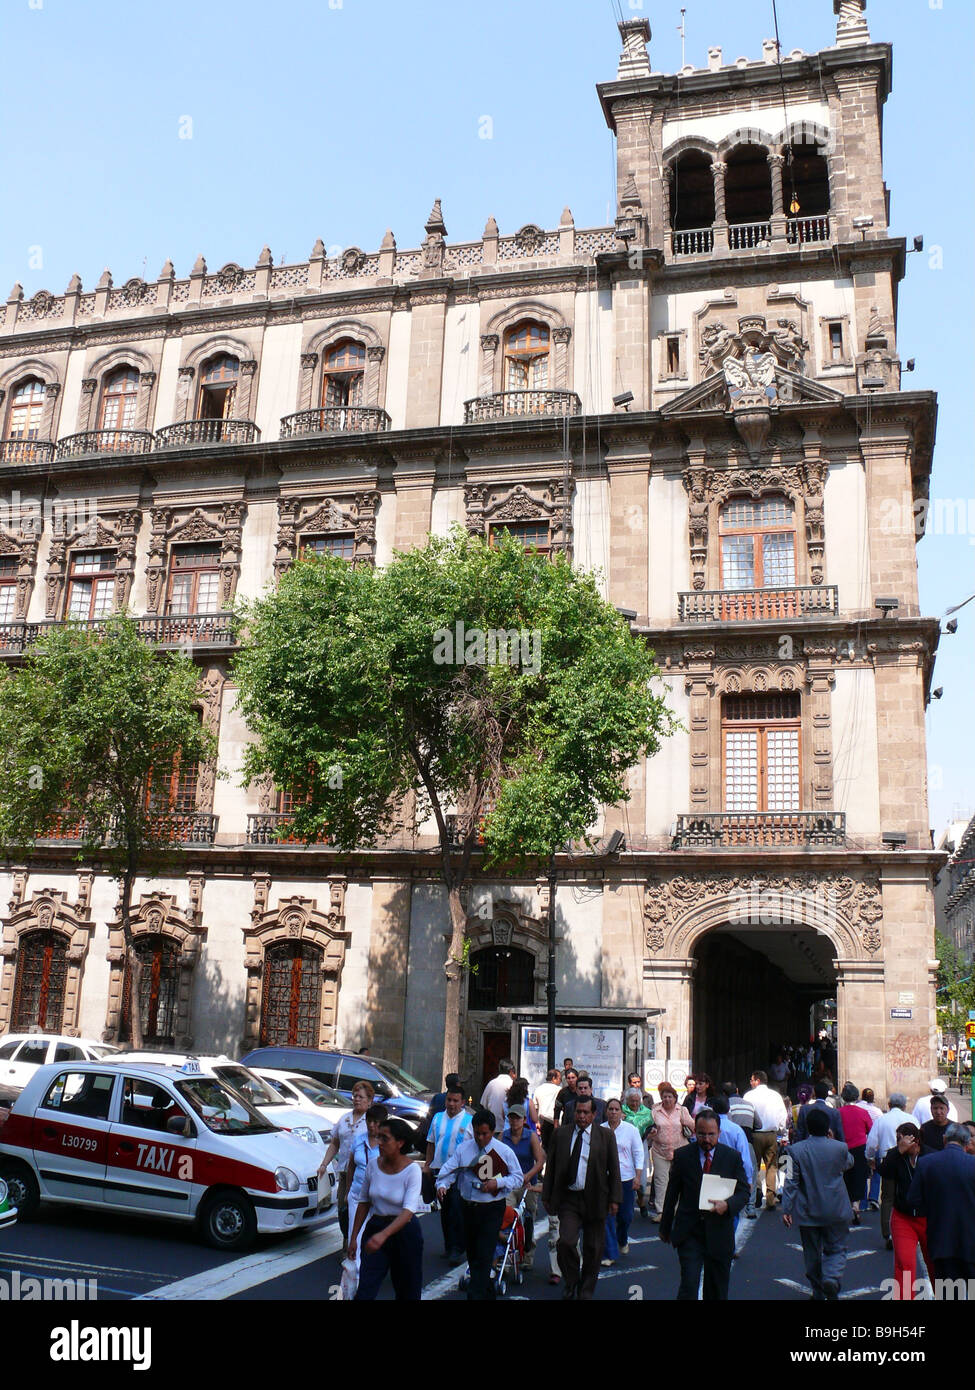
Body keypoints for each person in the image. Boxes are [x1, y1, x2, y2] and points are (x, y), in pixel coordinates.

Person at [659, 1109, 749, 1301]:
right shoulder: (683, 1156)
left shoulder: (731, 1157)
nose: (706, 1139)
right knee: (689, 1286)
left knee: (716, 1289)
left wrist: (728, 1205)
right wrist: (665, 1226)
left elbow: (743, 1192)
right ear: (694, 1132)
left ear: (719, 1133)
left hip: (719, 1232)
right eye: (701, 1134)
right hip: (690, 1231)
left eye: (711, 1134)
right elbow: (672, 1193)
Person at [436, 1108, 521, 1300]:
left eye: (485, 1133)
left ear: (492, 1131)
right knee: (474, 1257)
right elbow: (448, 1171)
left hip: (491, 1209)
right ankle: (487, 1293)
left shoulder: (503, 1151)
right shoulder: (464, 1149)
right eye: (477, 1133)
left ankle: (474, 1296)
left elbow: (517, 1178)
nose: (480, 1138)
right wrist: (442, 1185)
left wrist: (497, 1183)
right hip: (468, 1207)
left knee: (484, 1255)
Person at [542, 1093, 622, 1300]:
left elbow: (614, 1169)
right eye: (578, 1112)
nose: (582, 1116)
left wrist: (615, 1199)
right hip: (569, 1198)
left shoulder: (605, 1136)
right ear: (573, 1112)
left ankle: (586, 1291)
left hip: (595, 1198)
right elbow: (550, 1167)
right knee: (566, 1243)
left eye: (586, 1112)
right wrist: (547, 1194)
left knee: (593, 1249)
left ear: (594, 1114)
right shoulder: (561, 1134)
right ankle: (571, 1280)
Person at [780, 1105, 854, 1301]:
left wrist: (786, 1207)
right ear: (828, 1127)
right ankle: (831, 1277)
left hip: (807, 1209)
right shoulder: (840, 1148)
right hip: (836, 1207)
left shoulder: (792, 1150)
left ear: (807, 1127)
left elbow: (789, 1181)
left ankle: (817, 1289)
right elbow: (849, 1163)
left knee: (811, 1253)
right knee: (837, 1248)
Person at [350, 1118, 423, 1301]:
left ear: (400, 1143)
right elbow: (364, 1201)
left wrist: (384, 1235)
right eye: (378, 1137)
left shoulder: (412, 1171)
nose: (379, 1143)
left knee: (407, 1288)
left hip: (405, 1233)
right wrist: (354, 1237)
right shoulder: (373, 1165)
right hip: (376, 1227)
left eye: (385, 1138)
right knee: (366, 1287)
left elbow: (408, 1212)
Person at [906, 1123, 975, 1288]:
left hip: (940, 1237)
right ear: (966, 1143)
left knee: (948, 1291)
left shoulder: (926, 1163)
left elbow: (913, 1200)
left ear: (944, 1139)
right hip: (971, 1239)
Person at [879, 1122, 934, 1300]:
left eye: (901, 1139)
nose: (898, 1143)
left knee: (934, 1263)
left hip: (929, 1217)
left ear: (914, 1140)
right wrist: (897, 1151)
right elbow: (884, 1171)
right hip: (903, 1217)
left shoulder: (931, 1156)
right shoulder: (895, 1156)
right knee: (904, 1262)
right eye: (897, 1140)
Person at [317, 1079, 373, 1250]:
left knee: (361, 1210)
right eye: (355, 1096)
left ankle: (357, 1243)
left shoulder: (371, 1121)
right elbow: (335, 1143)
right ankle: (347, 1240)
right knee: (343, 1208)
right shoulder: (345, 1118)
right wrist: (324, 1164)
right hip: (344, 1172)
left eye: (361, 1097)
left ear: (369, 1100)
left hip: (363, 1174)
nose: (356, 1099)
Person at [423, 1081, 472, 1263]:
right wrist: (427, 1166)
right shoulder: (437, 1118)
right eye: (449, 1100)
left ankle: (458, 1248)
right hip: (440, 1172)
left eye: (455, 1101)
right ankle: (449, 1245)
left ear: (463, 1102)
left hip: (461, 1174)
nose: (451, 1104)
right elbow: (431, 1143)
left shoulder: (469, 1122)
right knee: (445, 1211)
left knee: (457, 1209)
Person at [501, 1103, 545, 1268]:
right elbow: (497, 1159)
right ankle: (508, 1252)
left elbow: (540, 1161)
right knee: (508, 1217)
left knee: (528, 1219)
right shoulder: (503, 1136)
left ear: (524, 1120)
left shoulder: (531, 1136)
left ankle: (528, 1255)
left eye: (517, 1118)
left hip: (528, 1185)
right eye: (511, 1118)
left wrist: (528, 1175)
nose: (514, 1121)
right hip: (510, 1184)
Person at [601, 1097, 643, 1265]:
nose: (613, 1112)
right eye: (610, 1109)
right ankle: (609, 1253)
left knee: (625, 1216)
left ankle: (622, 1239)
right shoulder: (600, 1129)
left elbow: (638, 1153)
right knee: (608, 1216)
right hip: (605, 1179)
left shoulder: (630, 1130)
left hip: (626, 1177)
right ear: (606, 1112)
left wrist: (638, 1176)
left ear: (621, 1112)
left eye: (616, 1109)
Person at [743, 1069, 789, 1213]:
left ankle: (756, 1192)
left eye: (752, 1080)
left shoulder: (749, 1096)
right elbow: (783, 1116)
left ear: (757, 1080)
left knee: (754, 1166)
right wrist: (782, 1131)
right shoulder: (775, 1096)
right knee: (771, 1166)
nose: (750, 1083)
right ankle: (770, 1198)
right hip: (771, 1134)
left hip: (755, 1134)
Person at [650, 1082, 695, 1221]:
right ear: (661, 1098)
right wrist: (652, 1132)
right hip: (660, 1151)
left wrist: (687, 1124)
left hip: (680, 1151)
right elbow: (648, 1129)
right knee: (661, 1181)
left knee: (679, 1181)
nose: (667, 1099)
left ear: (675, 1098)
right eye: (665, 1097)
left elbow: (693, 1127)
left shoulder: (682, 1110)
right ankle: (661, 1212)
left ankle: (678, 1209)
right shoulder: (654, 1111)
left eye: (670, 1096)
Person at [347, 1102, 388, 1242]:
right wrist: (348, 1191)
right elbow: (351, 1166)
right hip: (357, 1193)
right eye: (369, 1121)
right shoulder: (359, 1140)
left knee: (373, 1235)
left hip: (377, 1196)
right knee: (355, 1232)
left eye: (375, 1122)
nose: (371, 1125)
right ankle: (354, 1261)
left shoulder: (387, 1144)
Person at [838, 1083, 873, 1226]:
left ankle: (845, 1206)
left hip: (842, 1148)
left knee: (844, 1177)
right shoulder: (863, 1112)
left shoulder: (838, 1112)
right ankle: (856, 1205)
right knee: (859, 1177)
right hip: (860, 1147)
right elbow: (870, 1129)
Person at [621, 1085, 655, 1215]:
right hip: (624, 1147)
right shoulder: (621, 1111)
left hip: (641, 1146)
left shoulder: (646, 1112)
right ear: (627, 1100)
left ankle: (641, 1201)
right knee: (625, 1176)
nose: (634, 1103)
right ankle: (627, 1204)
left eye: (636, 1101)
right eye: (631, 1101)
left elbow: (652, 1125)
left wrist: (652, 1131)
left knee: (641, 1180)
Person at [709, 1092, 754, 1187]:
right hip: (732, 1176)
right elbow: (745, 1158)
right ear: (728, 1109)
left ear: (712, 1108)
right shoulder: (737, 1130)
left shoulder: (707, 1127)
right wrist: (749, 1180)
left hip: (710, 1175)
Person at [480, 1059, 516, 1135]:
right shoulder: (513, 1084)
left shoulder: (491, 1084)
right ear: (511, 1070)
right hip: (509, 1131)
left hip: (493, 1129)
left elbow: (483, 1105)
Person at [534, 1068, 561, 1149]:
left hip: (542, 1123)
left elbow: (536, 1107)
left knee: (544, 1147)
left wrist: (537, 1122)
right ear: (554, 1078)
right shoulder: (559, 1089)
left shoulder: (538, 1089)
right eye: (559, 1079)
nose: (560, 1081)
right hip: (556, 1123)